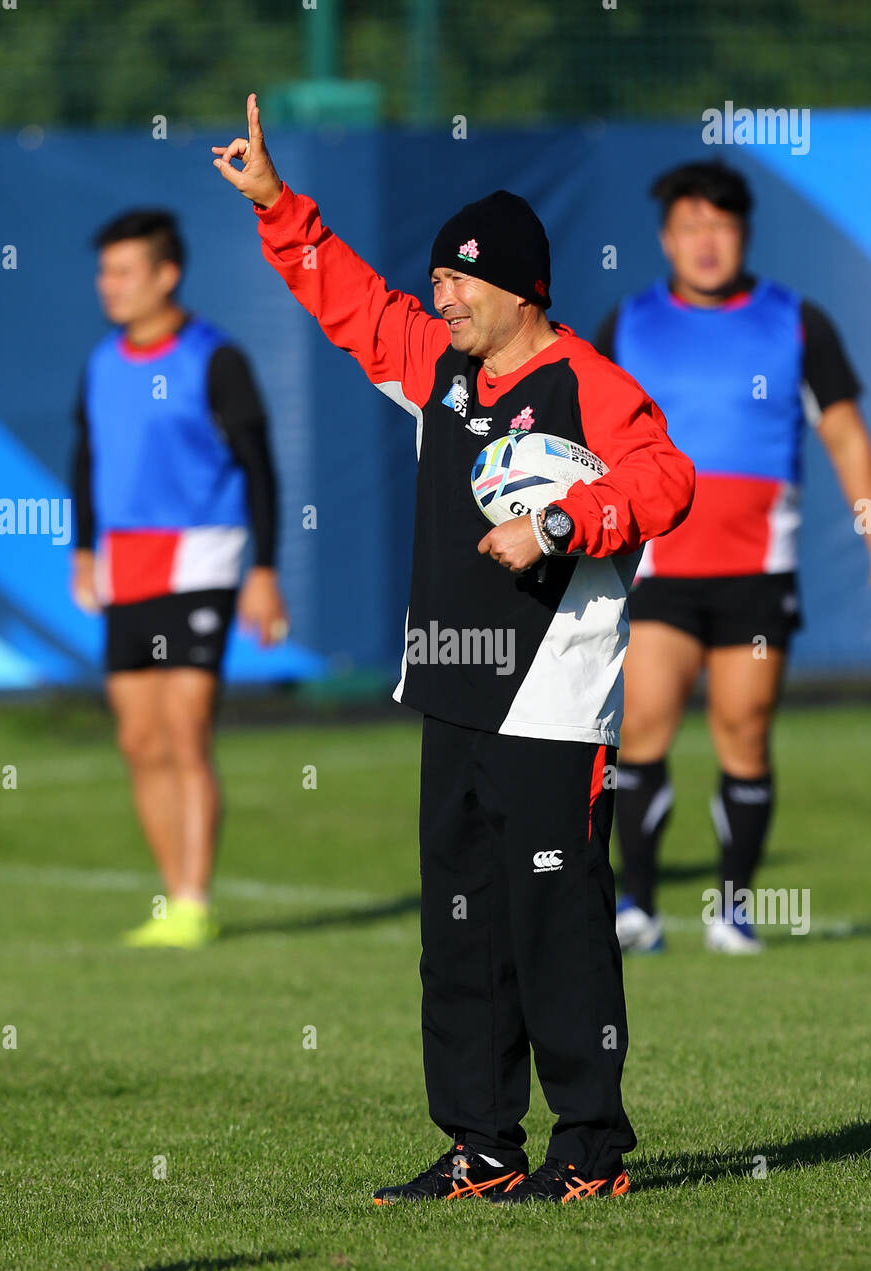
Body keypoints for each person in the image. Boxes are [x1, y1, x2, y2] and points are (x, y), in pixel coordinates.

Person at [213, 94, 694, 1204]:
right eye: (437, 282)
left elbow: (664, 481)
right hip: (452, 679)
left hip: (553, 699)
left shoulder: (587, 384)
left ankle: (589, 1145)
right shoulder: (436, 366)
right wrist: (280, 208)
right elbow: (350, 304)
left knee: (557, 921)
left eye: (461, 282)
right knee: (462, 930)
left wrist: (563, 522)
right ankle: (481, 1141)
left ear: (522, 286)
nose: (442, 299)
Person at [594, 161, 871, 956]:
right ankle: (637, 907)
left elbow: (846, 441)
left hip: (755, 576)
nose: (706, 242)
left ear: (744, 233)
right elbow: (586, 447)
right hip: (658, 570)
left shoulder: (797, 322)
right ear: (666, 238)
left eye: (721, 225)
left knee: (743, 729)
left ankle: (732, 912)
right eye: (690, 226)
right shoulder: (625, 325)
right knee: (641, 726)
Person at [70, 207, 288, 948]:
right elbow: (87, 457)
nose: (111, 285)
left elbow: (259, 466)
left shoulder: (213, 358)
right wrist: (82, 550)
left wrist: (264, 568)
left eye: (125, 270)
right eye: (104, 271)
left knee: (185, 728)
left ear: (168, 274)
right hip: (125, 558)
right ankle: (171, 898)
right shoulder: (101, 362)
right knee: (138, 738)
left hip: (202, 553)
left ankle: (196, 900)